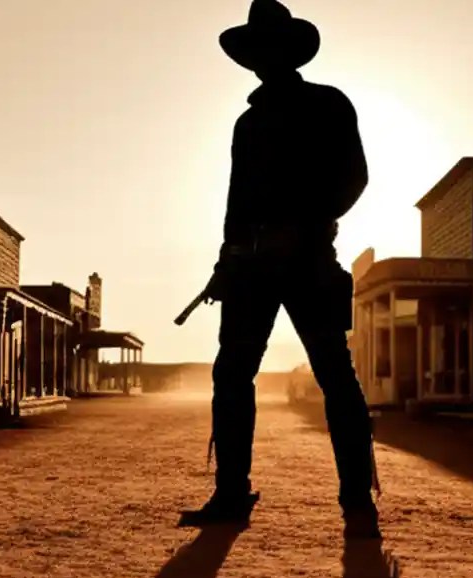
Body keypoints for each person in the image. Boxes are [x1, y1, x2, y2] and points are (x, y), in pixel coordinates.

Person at [179, 0, 380, 539]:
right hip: (250, 267)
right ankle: (231, 492)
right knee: (231, 375)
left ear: (288, 53)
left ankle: (358, 501)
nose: (262, 60)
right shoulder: (248, 123)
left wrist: (306, 226)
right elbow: (235, 202)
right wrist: (227, 261)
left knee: (335, 376)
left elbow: (353, 178)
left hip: (311, 259)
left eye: (269, 49)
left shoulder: (329, 105)